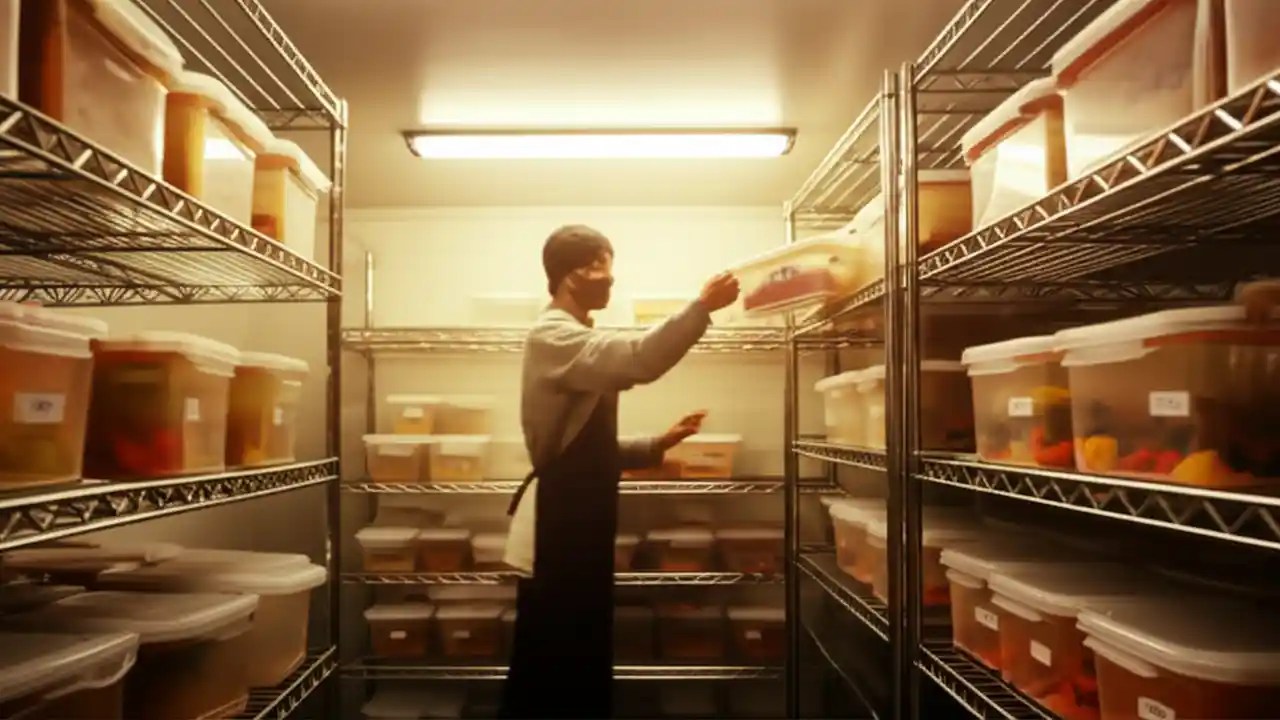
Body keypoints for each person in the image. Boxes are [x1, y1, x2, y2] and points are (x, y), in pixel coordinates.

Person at [499, 224, 740, 719]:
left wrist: (656, 445)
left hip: (579, 511)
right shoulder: (553, 335)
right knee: (558, 647)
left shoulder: (575, 336)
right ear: (573, 273)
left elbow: (586, 444)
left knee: (579, 639)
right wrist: (700, 309)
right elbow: (638, 359)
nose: (611, 278)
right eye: (604, 264)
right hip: (562, 517)